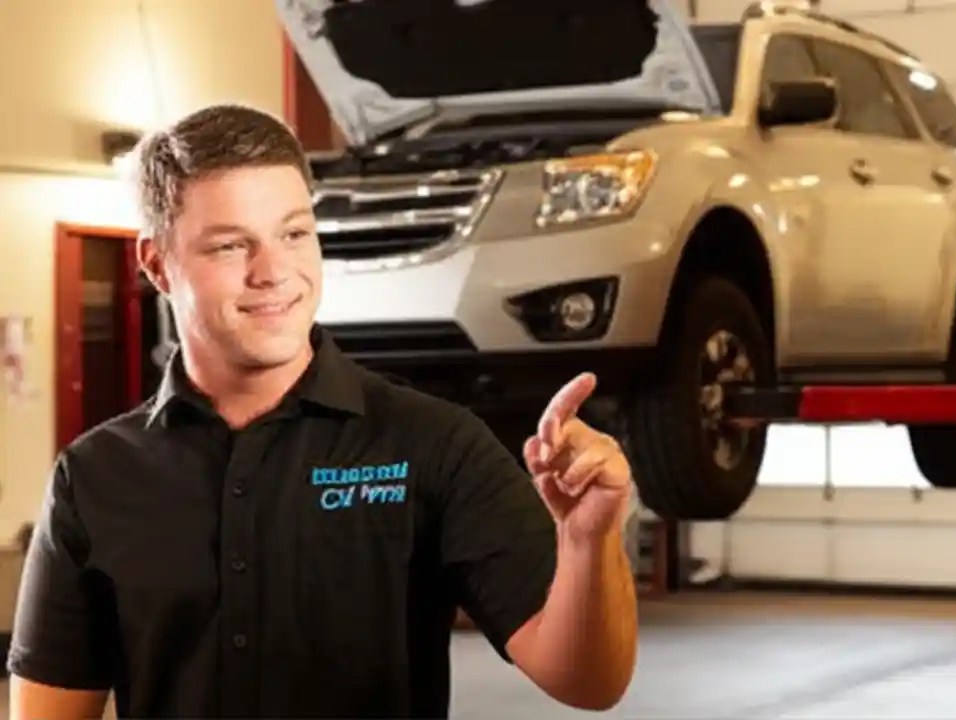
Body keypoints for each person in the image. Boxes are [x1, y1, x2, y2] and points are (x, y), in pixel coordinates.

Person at [7, 104, 638, 718]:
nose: (274, 272)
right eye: (231, 246)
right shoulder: (95, 478)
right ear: (157, 264)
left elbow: (589, 683)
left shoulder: (433, 445)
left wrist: (589, 541)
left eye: (294, 234)